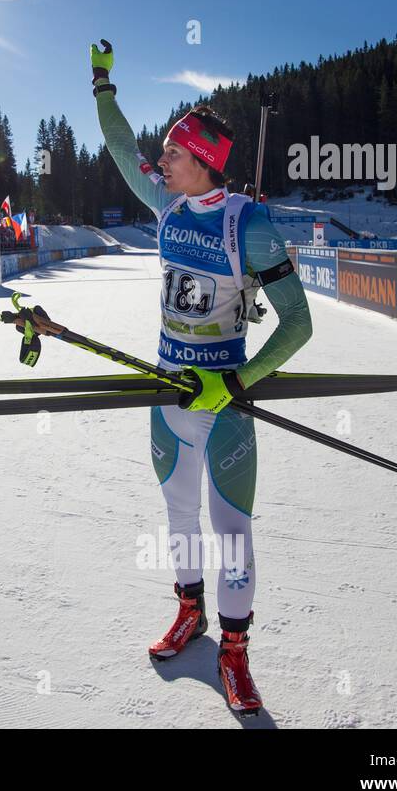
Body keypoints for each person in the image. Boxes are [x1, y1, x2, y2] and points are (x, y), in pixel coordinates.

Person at [90, 38, 313, 715]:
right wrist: (103, 84)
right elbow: (121, 147)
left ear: (205, 162)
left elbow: (297, 326)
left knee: (232, 530)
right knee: (179, 516)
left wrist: (235, 383)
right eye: (164, 152)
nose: (160, 162)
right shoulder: (166, 207)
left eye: (174, 153)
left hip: (225, 403)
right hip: (166, 394)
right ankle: (191, 611)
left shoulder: (252, 225)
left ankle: (236, 650)